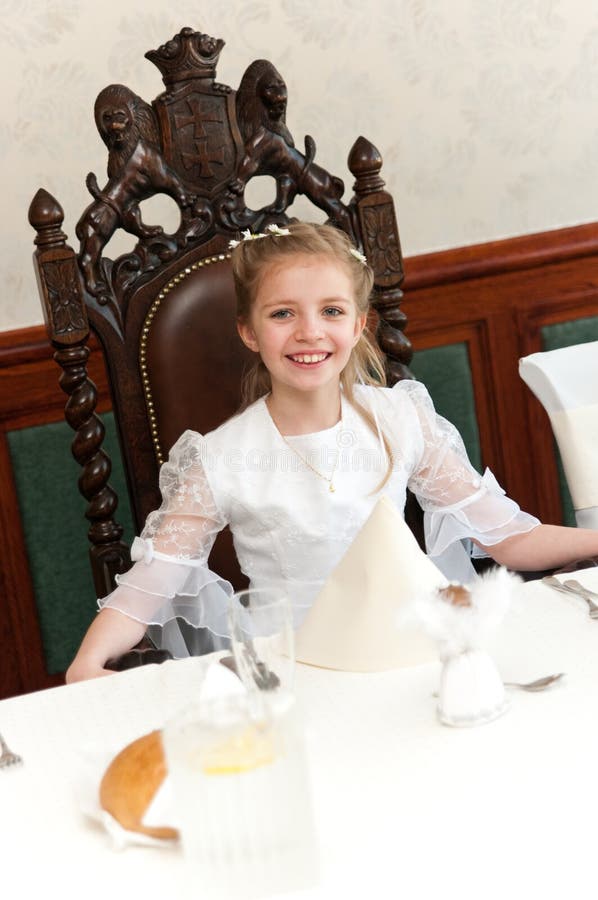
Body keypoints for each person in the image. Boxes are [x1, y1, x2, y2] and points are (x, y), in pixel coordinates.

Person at [66, 222, 598, 682]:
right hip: (299, 664)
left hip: (408, 647)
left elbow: (511, 539)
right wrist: (86, 662)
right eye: (282, 314)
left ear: (358, 324)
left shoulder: (401, 418)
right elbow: (146, 588)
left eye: (331, 310)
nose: (309, 332)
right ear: (249, 332)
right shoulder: (220, 459)